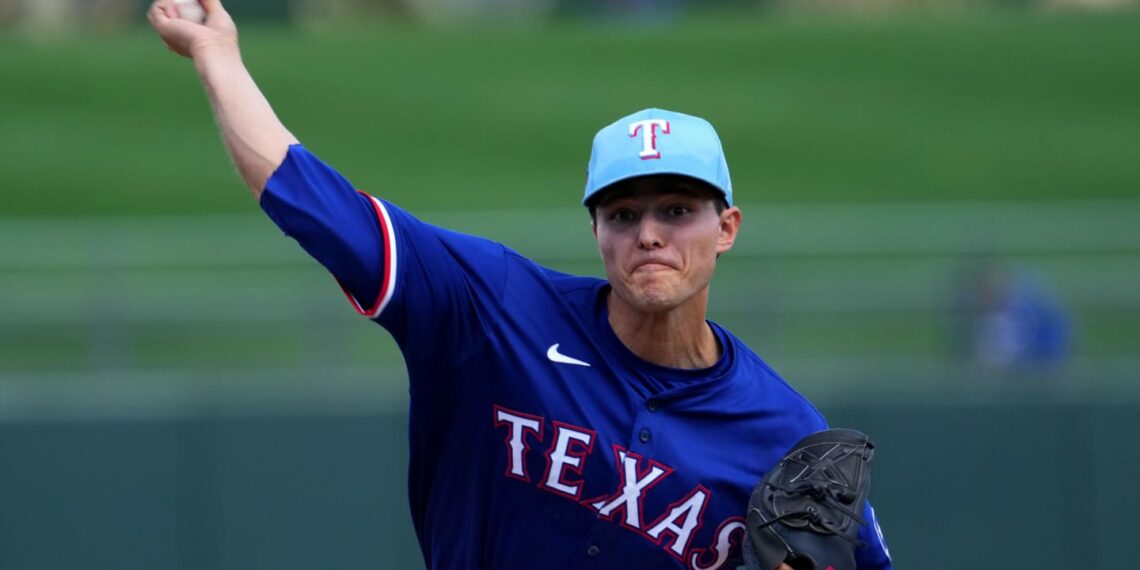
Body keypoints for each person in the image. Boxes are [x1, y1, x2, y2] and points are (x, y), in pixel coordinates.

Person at [147, 1, 893, 568]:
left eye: (678, 210)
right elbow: (315, 204)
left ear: (726, 228)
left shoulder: (785, 434)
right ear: (595, 231)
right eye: (624, 213)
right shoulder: (494, 306)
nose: (650, 234)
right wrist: (219, 57)